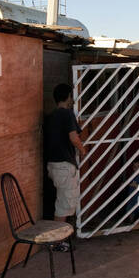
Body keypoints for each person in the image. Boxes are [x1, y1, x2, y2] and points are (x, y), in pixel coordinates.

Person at [41, 82, 82, 223]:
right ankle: (57, 242)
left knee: (61, 204)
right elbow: (74, 138)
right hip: (64, 166)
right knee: (64, 207)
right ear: (68, 97)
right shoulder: (67, 114)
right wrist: (83, 150)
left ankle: (59, 240)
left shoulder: (51, 116)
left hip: (53, 165)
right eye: (71, 96)